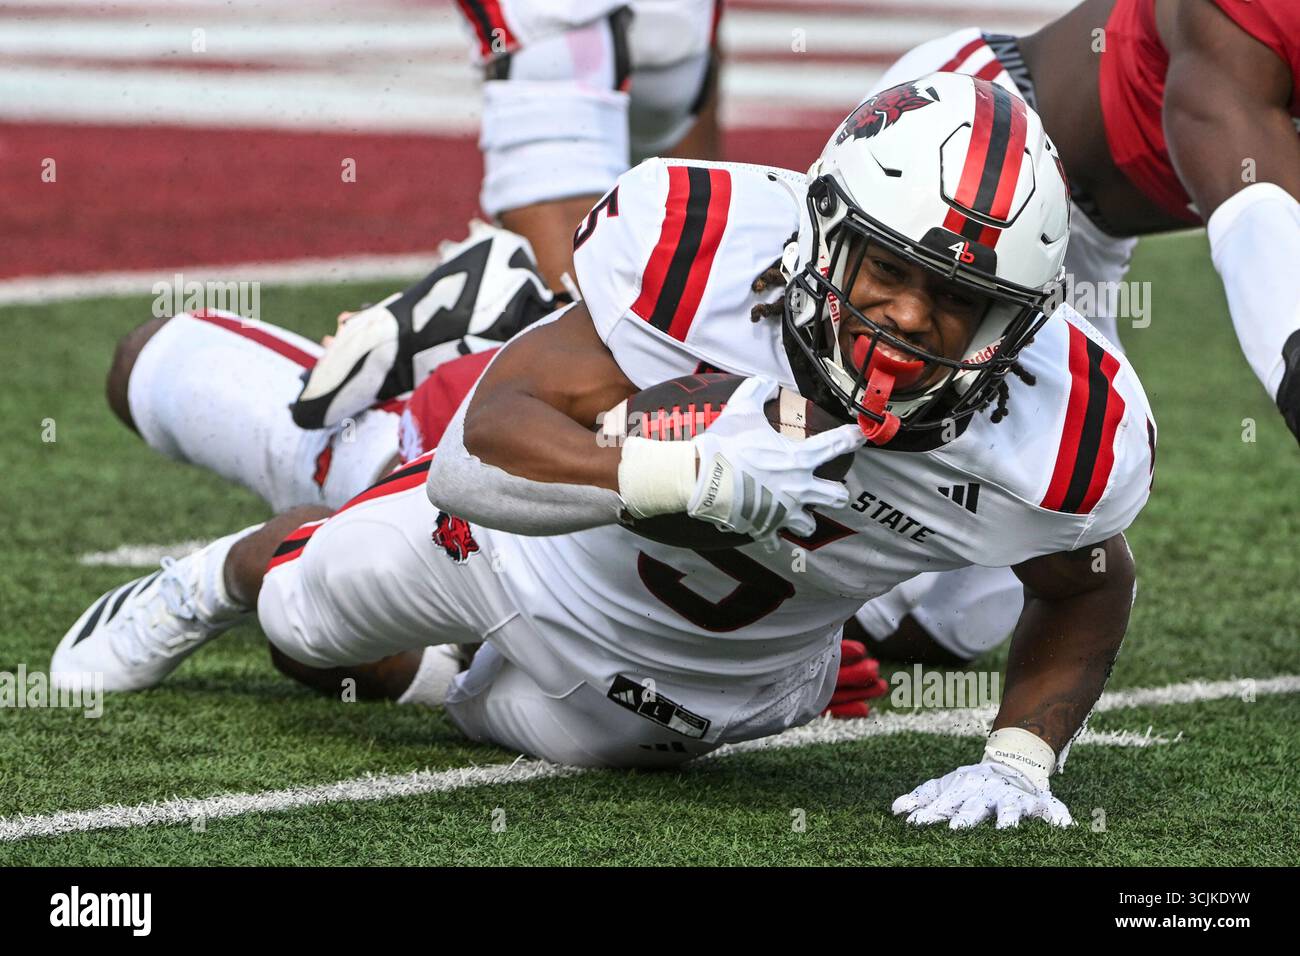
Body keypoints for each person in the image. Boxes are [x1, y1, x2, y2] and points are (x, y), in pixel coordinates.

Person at [54, 74, 1157, 829]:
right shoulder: (707, 250)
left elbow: (1086, 584)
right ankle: (224, 572)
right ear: (821, 233)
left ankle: (478, 656)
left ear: (1014, 320)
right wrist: (684, 479)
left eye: (960, 297)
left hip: (701, 687)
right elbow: (481, 451)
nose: (913, 318)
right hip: (505, 544)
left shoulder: (1064, 428)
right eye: (889, 271)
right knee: (303, 630)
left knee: (480, 719)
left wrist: (1020, 753)